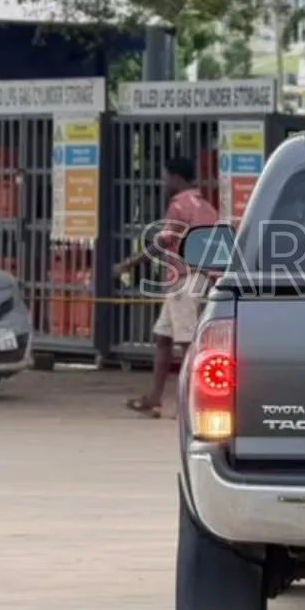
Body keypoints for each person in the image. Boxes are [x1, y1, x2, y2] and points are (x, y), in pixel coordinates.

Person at [118, 154, 218, 418]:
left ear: (176, 177)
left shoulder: (179, 205)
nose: (163, 182)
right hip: (199, 276)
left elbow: (163, 241)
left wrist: (129, 264)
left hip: (183, 279)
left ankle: (193, 404)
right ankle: (155, 398)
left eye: (165, 176)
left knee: (186, 342)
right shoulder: (206, 206)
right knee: (163, 337)